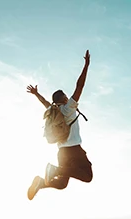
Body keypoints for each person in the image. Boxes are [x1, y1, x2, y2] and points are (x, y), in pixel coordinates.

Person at [26, 50, 93, 200]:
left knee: (62, 184)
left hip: (62, 152)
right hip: (74, 150)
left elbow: (45, 103)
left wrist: (36, 93)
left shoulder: (53, 111)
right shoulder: (69, 108)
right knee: (88, 176)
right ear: (63, 98)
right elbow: (80, 86)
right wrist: (86, 66)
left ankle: (41, 183)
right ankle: (54, 170)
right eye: (65, 95)